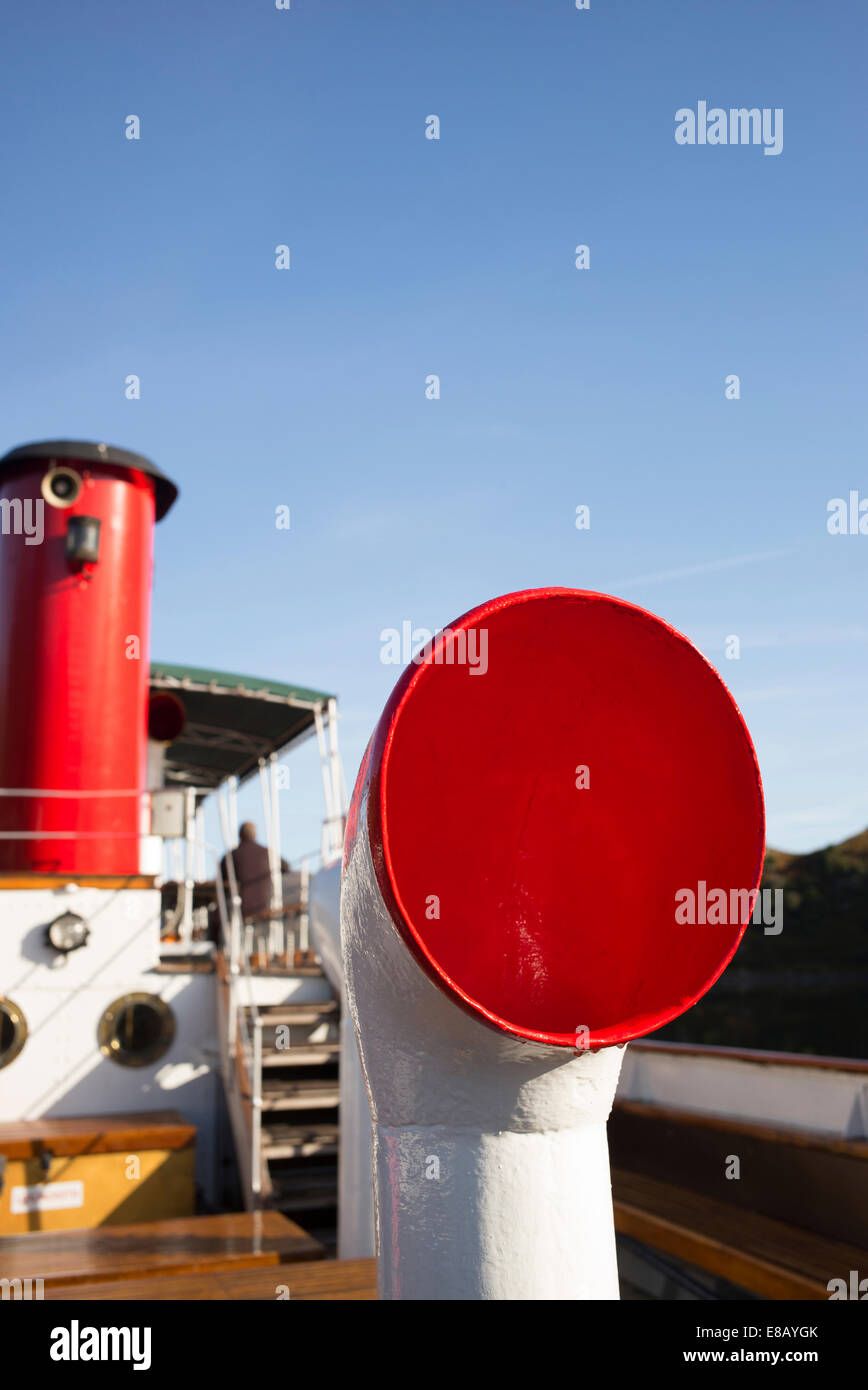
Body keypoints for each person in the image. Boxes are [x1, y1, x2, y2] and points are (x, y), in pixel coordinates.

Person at [221, 822, 289, 924]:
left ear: (240, 836)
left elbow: (222, 879)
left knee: (216, 915)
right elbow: (286, 868)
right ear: (255, 835)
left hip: (242, 908)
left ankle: (215, 940)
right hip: (265, 904)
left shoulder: (232, 856)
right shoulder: (266, 852)